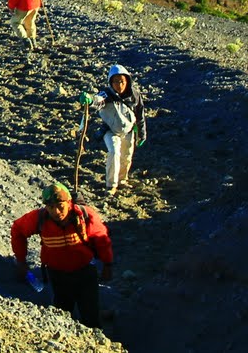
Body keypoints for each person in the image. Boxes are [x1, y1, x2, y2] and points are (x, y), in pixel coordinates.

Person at [11, 182, 114, 329]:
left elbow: (101, 239)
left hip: (85, 273)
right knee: (63, 314)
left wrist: (107, 264)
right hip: (57, 275)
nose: (56, 211)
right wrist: (21, 260)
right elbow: (18, 230)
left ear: (69, 202)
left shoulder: (85, 216)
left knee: (90, 314)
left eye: (60, 206)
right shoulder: (40, 218)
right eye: (51, 207)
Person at [82, 64, 147, 195]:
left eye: (122, 81)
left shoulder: (134, 95)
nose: (119, 84)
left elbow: (140, 115)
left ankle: (122, 180)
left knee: (126, 156)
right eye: (115, 81)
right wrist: (90, 100)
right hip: (111, 130)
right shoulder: (107, 94)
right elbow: (98, 100)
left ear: (127, 81)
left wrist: (141, 134)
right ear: (110, 82)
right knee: (114, 152)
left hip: (128, 130)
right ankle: (111, 184)